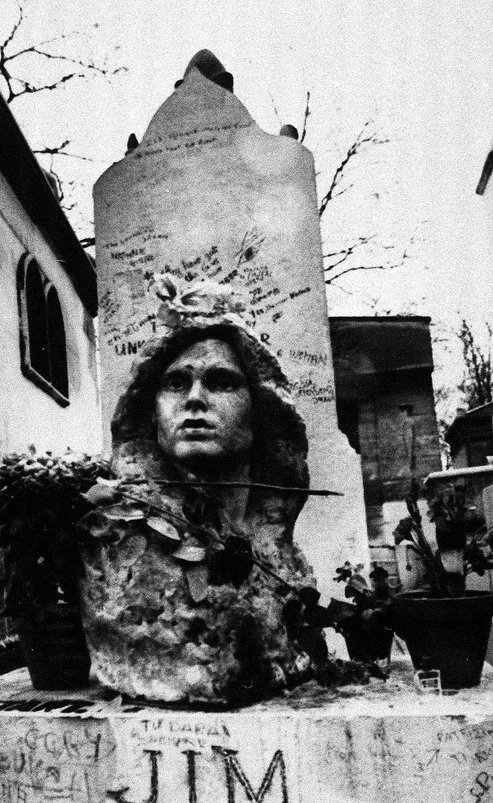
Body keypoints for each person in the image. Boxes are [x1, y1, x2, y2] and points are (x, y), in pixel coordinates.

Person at [80, 276, 316, 704]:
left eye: (221, 382)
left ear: (260, 408)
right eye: (175, 384)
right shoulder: (117, 543)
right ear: (149, 411)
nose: (194, 399)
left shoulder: (282, 557)